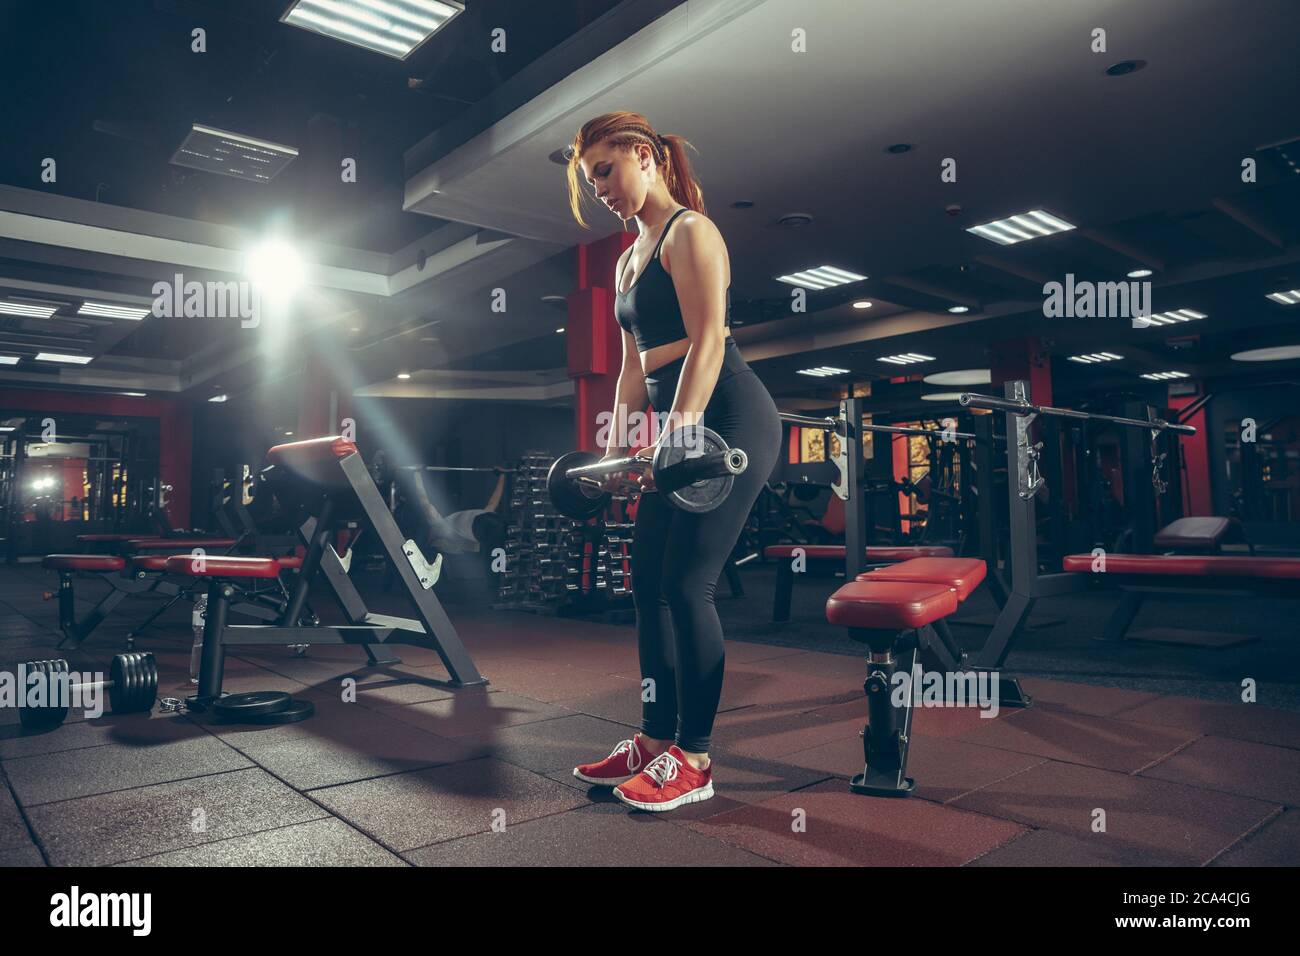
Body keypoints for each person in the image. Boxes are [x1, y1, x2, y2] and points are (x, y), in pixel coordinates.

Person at [566, 112, 782, 811]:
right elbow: (633, 370)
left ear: (645, 156)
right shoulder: (629, 255)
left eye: (605, 168)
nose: (600, 186)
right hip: (680, 435)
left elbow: (709, 343)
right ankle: (655, 740)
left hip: (730, 421)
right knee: (646, 585)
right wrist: (610, 453)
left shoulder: (692, 232)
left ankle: (695, 756)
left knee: (689, 585)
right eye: (589, 176)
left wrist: (678, 438)